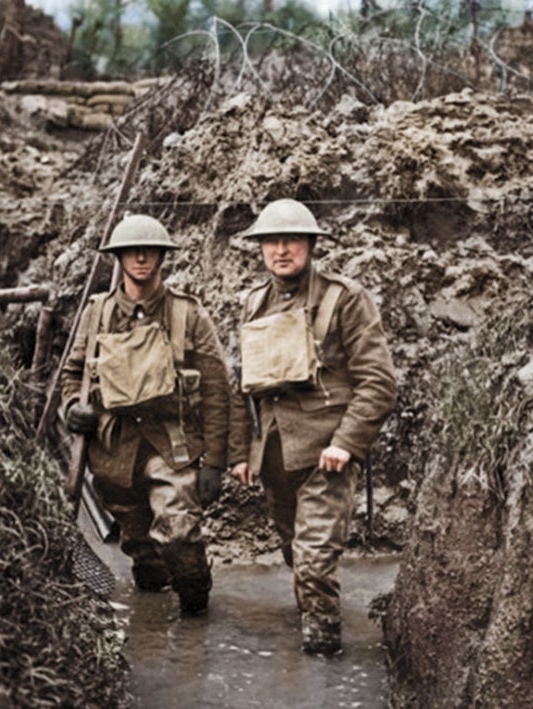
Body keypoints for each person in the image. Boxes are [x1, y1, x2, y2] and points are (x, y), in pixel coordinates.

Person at [229, 199, 397, 655]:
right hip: (275, 456)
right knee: (294, 550)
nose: (281, 250)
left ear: (310, 245)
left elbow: (378, 381)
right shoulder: (254, 303)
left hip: (327, 455)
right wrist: (242, 452)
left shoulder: (345, 298)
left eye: (292, 241)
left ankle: (323, 646)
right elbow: (245, 386)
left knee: (315, 559)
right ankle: (309, 618)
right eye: (271, 242)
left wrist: (346, 443)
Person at [61, 214, 230, 616]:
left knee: (179, 532)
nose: (140, 257)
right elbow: (72, 375)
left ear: (162, 256)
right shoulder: (97, 313)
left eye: (149, 250)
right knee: (142, 552)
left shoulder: (187, 314)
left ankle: (195, 605)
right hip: (114, 450)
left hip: (170, 445)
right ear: (118, 257)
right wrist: (73, 408)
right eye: (132, 251)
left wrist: (215, 462)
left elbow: (218, 391)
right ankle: (151, 621)